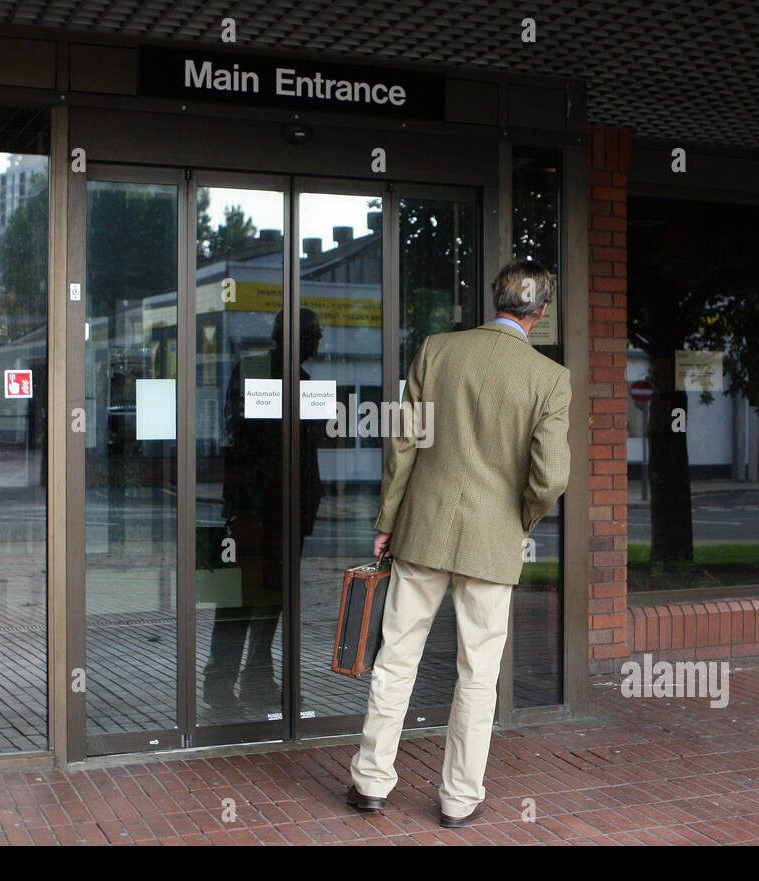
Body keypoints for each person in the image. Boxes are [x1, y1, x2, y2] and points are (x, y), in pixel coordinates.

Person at [345, 260, 571, 828]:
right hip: (491, 545)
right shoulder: (549, 378)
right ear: (540, 314)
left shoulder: (437, 350)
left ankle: (371, 782)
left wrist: (388, 520)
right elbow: (550, 478)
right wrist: (516, 520)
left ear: (493, 299)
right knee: (478, 673)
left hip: (421, 530)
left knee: (396, 659)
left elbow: (405, 444)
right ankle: (458, 798)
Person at [203, 308, 325, 714]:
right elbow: (239, 441)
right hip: (257, 508)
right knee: (238, 598)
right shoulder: (253, 369)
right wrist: (240, 504)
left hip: (291, 511)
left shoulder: (303, 380)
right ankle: (219, 682)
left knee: (273, 599)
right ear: (288, 335)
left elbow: (306, 451)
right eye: (313, 333)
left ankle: (256, 676)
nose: (318, 341)